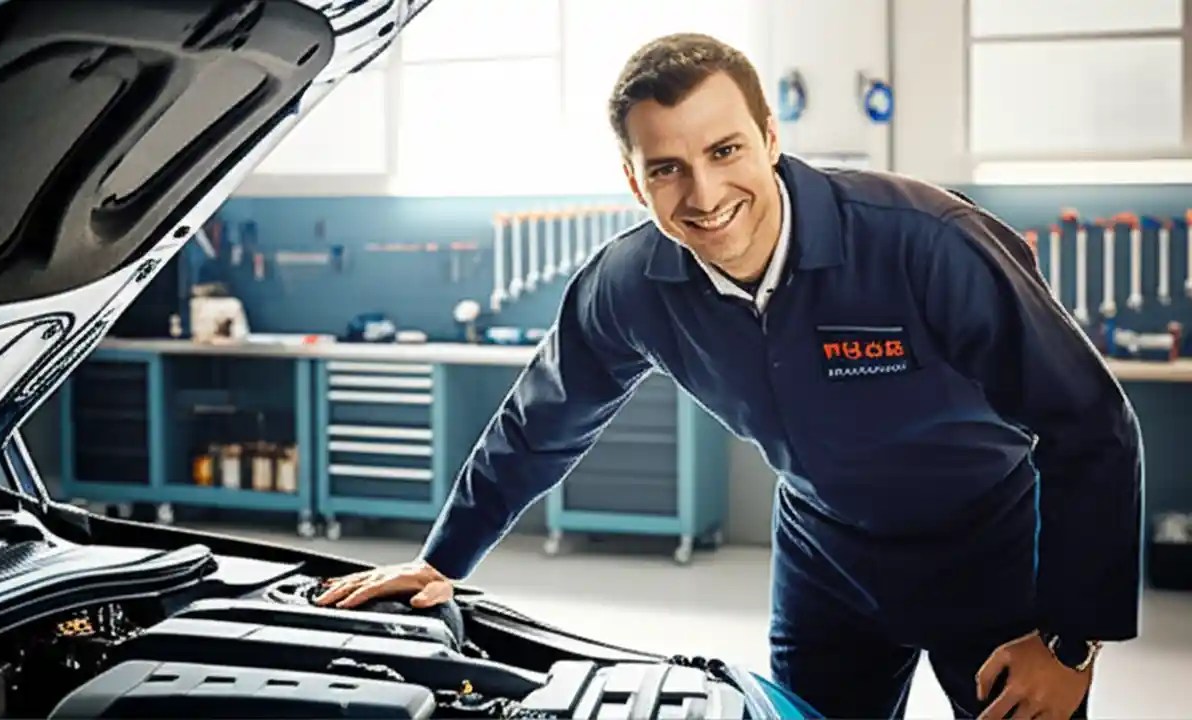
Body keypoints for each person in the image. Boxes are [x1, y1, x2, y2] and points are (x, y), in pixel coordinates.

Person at [316, 33, 1143, 719]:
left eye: (724, 150)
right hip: (827, 564)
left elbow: (1090, 425)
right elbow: (541, 422)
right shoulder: (629, 286)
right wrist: (442, 561)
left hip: (992, 554)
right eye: (666, 167)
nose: (704, 193)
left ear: (770, 139)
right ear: (633, 180)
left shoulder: (925, 241)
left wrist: (1071, 639)